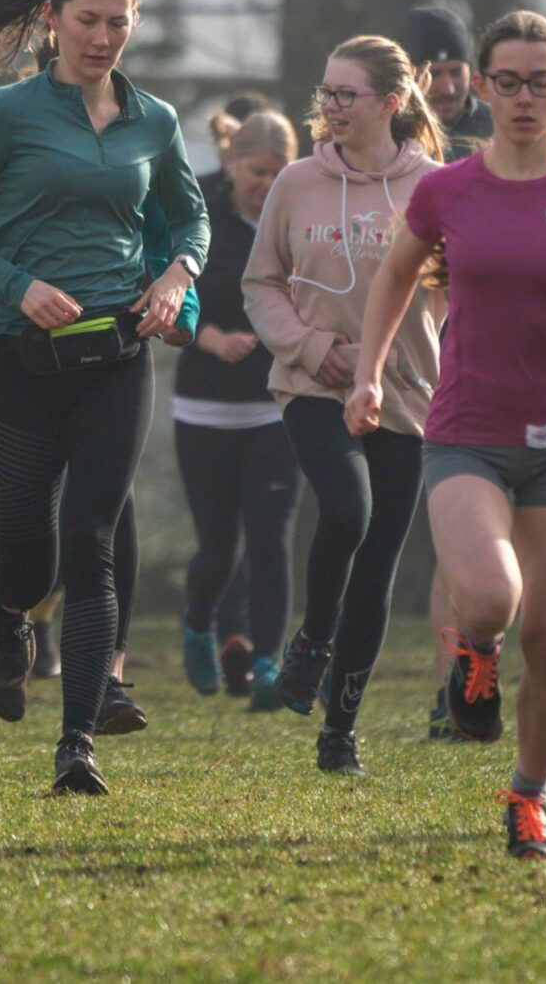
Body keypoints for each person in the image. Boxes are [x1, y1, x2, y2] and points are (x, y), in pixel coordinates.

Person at [0, 0, 207, 797]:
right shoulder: (10, 114)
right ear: (53, 17)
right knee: (28, 550)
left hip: (116, 355)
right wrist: (17, 286)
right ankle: (6, 613)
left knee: (92, 540)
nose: (103, 38)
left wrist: (177, 279)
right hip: (18, 358)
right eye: (88, 20)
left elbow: (188, 218)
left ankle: (77, 740)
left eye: (119, 22)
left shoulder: (154, 121)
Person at [349, 9, 546, 861]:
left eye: (540, 81)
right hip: (465, 431)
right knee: (488, 597)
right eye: (508, 82)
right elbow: (394, 278)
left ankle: (529, 796)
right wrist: (370, 374)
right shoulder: (448, 190)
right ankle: (473, 655)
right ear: (480, 86)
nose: (524, 97)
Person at [242, 35, 447, 777]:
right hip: (314, 383)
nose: (328, 106)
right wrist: (306, 345)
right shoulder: (296, 182)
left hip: (407, 395)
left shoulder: (436, 188)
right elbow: (261, 283)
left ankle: (341, 728)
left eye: (344, 94)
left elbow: (465, 289)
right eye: (324, 91)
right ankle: (313, 640)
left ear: (390, 103)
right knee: (347, 510)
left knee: (378, 563)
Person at [177, 109, 299, 710]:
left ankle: (269, 663)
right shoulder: (202, 220)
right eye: (257, 172)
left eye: (278, 172)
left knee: (271, 541)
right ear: (233, 166)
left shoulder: (298, 224)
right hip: (204, 407)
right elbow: (171, 298)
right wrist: (210, 338)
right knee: (219, 550)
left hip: (277, 407)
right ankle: (199, 622)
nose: (267, 184)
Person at [401, 3, 488, 738]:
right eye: (433, 72)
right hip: (424, 355)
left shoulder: (504, 136)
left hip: (500, 346)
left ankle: (477, 676)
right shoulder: (393, 142)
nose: (448, 85)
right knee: (449, 536)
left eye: (457, 70)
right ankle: (446, 690)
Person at [405, 6, 491, 155]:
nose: (448, 89)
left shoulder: (500, 127)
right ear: (409, 75)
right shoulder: (389, 133)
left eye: (456, 72)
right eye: (433, 74)